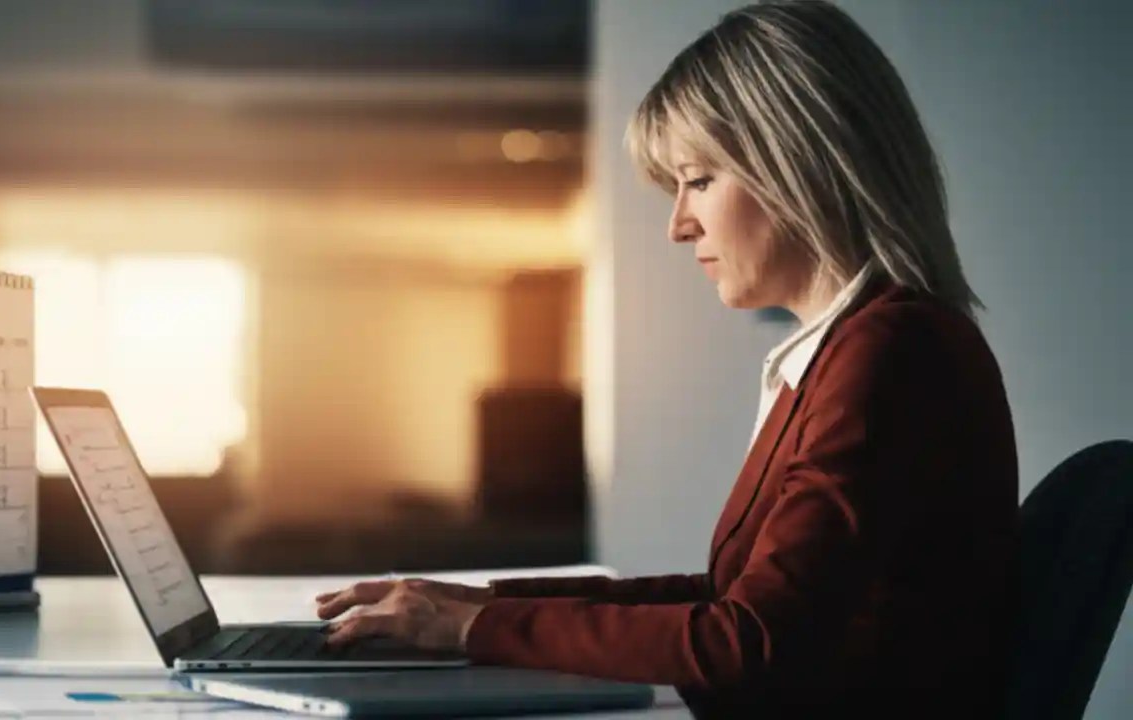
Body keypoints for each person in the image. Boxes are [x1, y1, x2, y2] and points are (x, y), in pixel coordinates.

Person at [313, 1, 1018, 716]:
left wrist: (474, 626)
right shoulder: (860, 347)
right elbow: (727, 601)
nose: (679, 225)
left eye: (699, 180)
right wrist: (471, 604)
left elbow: (747, 642)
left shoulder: (889, 353)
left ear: (796, 161)